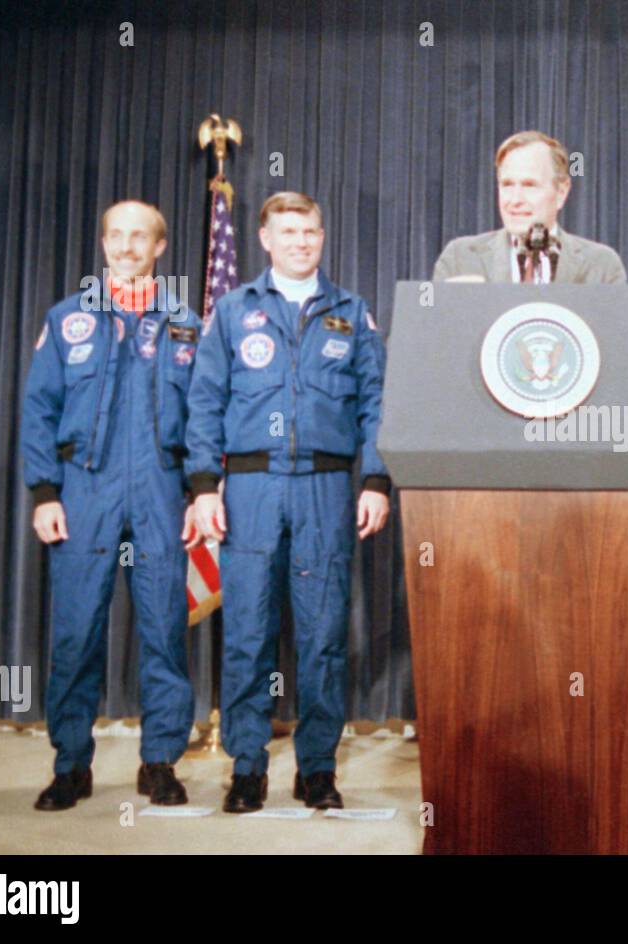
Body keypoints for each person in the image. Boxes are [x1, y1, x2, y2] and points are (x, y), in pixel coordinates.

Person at [185, 191, 390, 813]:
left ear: (322, 239)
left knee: (324, 633)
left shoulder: (351, 313)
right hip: (250, 488)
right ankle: (248, 767)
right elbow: (205, 401)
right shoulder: (232, 311)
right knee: (247, 631)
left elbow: (377, 404)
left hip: (326, 488)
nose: (301, 242)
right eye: (289, 232)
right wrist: (200, 487)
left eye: (311, 232)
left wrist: (376, 480)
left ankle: (318, 768)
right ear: (265, 239)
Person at [21, 200, 199, 811]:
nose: (127, 247)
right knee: (75, 631)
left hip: (159, 488)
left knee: (164, 629)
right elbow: (38, 411)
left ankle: (160, 761)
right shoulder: (68, 319)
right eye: (117, 236)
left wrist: (203, 490)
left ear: (159, 247)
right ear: (103, 245)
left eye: (140, 236)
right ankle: (71, 764)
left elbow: (206, 416)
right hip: (84, 487)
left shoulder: (184, 324)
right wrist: (45, 493)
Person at [432, 130, 626, 284]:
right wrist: (452, 305)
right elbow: (426, 313)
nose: (515, 199)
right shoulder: (460, 258)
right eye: (507, 185)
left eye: (529, 185)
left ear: (561, 192)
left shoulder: (601, 265)